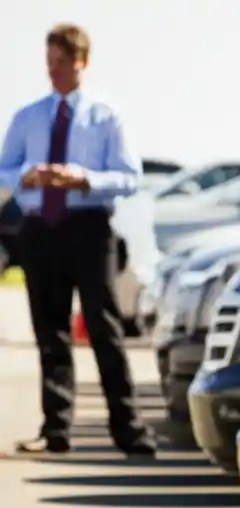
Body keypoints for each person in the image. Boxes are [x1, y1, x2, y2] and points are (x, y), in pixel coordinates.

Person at [0, 24, 155, 456]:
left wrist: (82, 178)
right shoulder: (28, 116)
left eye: (62, 63)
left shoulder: (105, 116)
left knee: (104, 329)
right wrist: (27, 176)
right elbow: (3, 169)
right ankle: (56, 432)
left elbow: (129, 177)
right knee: (49, 332)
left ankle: (129, 430)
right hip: (40, 229)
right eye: (49, 63)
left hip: (89, 229)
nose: (54, 72)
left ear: (81, 62)